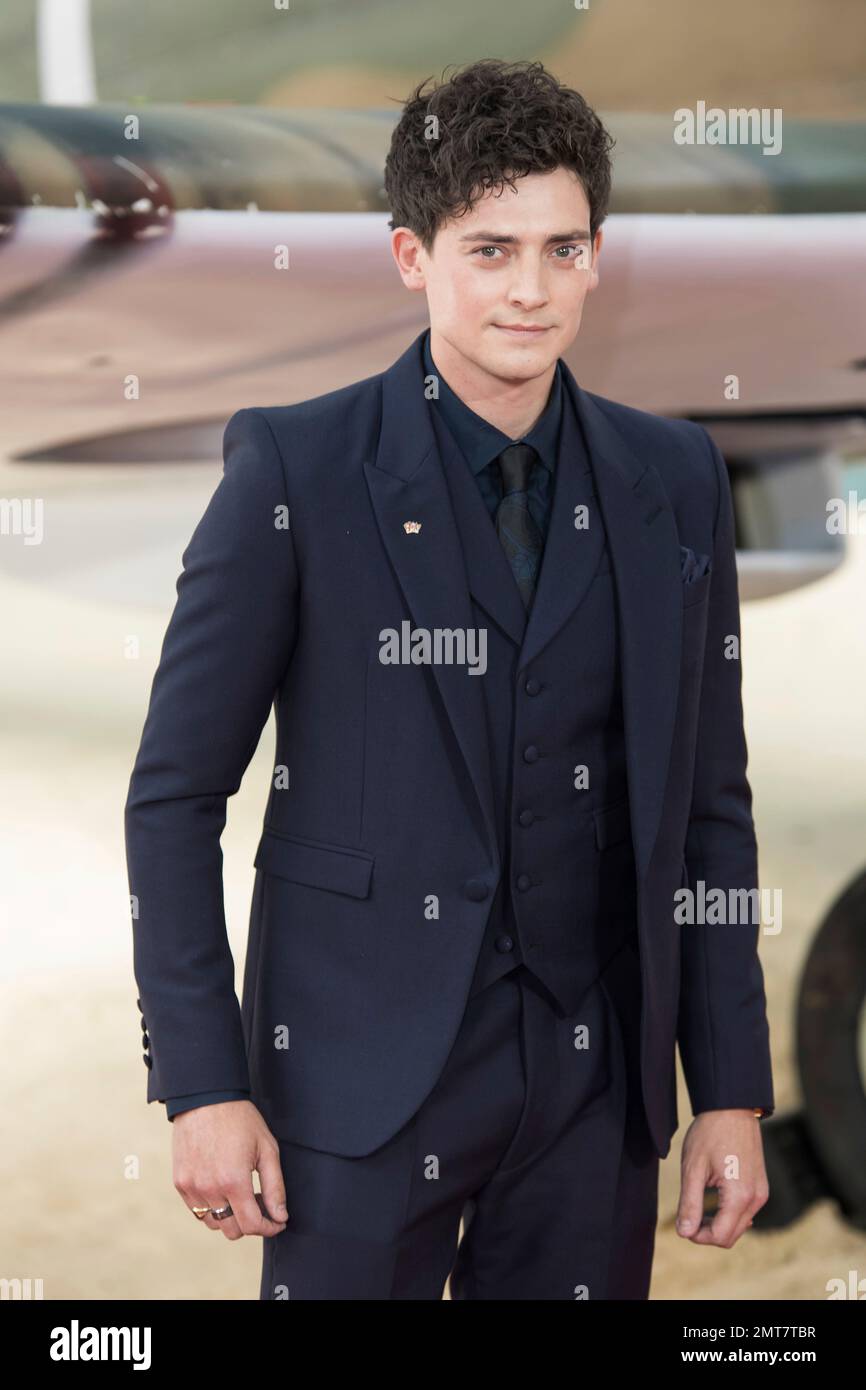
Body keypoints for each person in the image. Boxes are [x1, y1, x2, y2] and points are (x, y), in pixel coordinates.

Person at [124, 58, 773, 1300]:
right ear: (409, 256)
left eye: (563, 249)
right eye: (488, 250)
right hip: (353, 1082)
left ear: (596, 254)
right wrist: (205, 1084)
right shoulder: (293, 471)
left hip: (593, 1092)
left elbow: (708, 814)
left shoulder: (673, 477)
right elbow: (172, 798)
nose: (531, 291)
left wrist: (728, 1089)